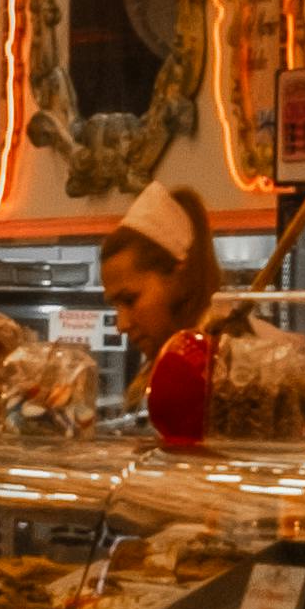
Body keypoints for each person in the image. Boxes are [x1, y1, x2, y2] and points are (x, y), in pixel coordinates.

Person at [96, 180, 234, 446]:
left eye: (130, 299)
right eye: (115, 305)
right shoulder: (156, 374)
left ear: (178, 274)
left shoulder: (234, 364)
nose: (121, 324)